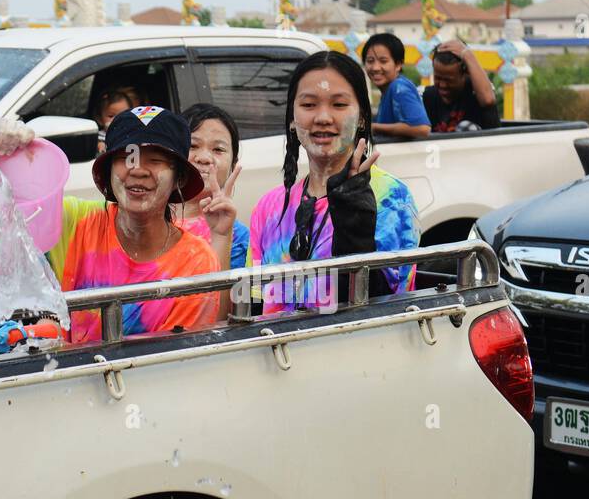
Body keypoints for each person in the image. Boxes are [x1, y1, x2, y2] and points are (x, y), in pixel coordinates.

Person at [4, 105, 236, 342]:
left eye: (155, 160)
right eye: (126, 158)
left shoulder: (196, 262)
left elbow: (170, 365)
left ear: (180, 176)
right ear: (108, 169)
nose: (138, 170)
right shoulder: (75, 221)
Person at [249, 50, 419, 314]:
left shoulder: (390, 198)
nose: (323, 117)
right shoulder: (269, 207)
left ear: (362, 116)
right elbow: (255, 304)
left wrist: (355, 235)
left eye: (339, 105)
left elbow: (391, 308)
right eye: (308, 105)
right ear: (292, 119)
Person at [175, 103, 251, 270]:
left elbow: (224, 297)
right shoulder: (148, 221)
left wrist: (222, 237)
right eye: (192, 146)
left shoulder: (238, 237)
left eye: (218, 149)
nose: (204, 158)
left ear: (233, 163)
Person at [423, 38, 500, 133]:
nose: (442, 85)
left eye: (449, 80)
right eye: (438, 78)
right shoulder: (429, 96)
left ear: (466, 73)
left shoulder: (478, 92)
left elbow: (488, 100)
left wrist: (467, 54)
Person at [362, 32, 430, 140]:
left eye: (383, 61)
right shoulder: (388, 90)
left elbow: (421, 129)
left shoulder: (399, 87)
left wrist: (373, 127)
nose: (375, 68)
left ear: (398, 64)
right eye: (370, 61)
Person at [95, 86, 143, 154]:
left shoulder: (133, 133)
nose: (117, 119)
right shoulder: (100, 136)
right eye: (111, 116)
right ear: (100, 119)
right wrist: (100, 146)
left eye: (123, 114)